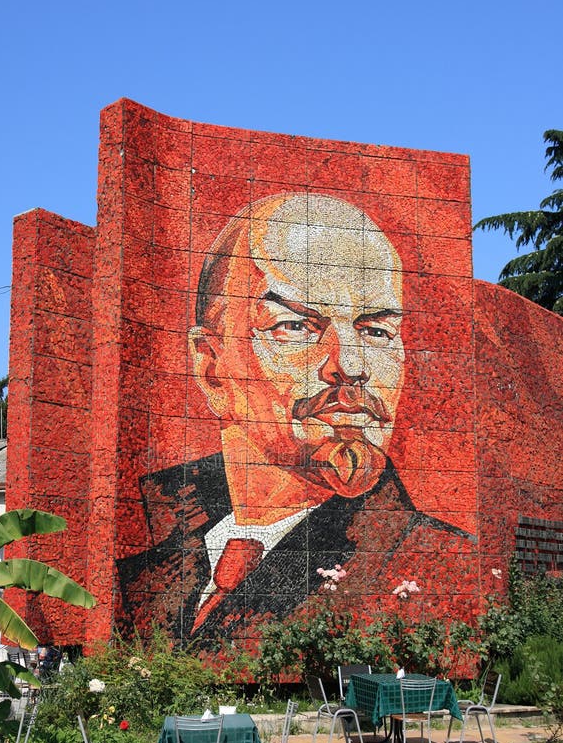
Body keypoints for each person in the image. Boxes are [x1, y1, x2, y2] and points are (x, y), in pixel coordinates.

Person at [117, 193, 477, 647]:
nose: (350, 363)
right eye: (295, 326)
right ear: (211, 369)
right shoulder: (145, 572)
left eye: (377, 331)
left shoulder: (441, 564)